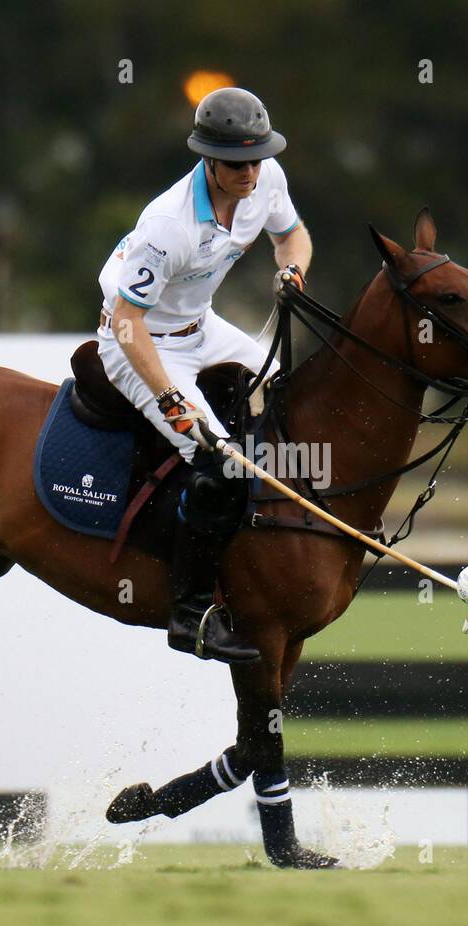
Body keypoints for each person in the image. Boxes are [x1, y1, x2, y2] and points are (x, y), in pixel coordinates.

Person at [96, 87, 312, 663]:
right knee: (218, 462)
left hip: (200, 326)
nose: (251, 172)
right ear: (207, 160)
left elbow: (292, 234)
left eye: (258, 157)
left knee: (289, 395)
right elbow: (125, 322)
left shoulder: (266, 178)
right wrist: (167, 393)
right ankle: (189, 613)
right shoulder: (167, 225)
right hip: (140, 344)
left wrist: (291, 270)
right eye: (238, 163)